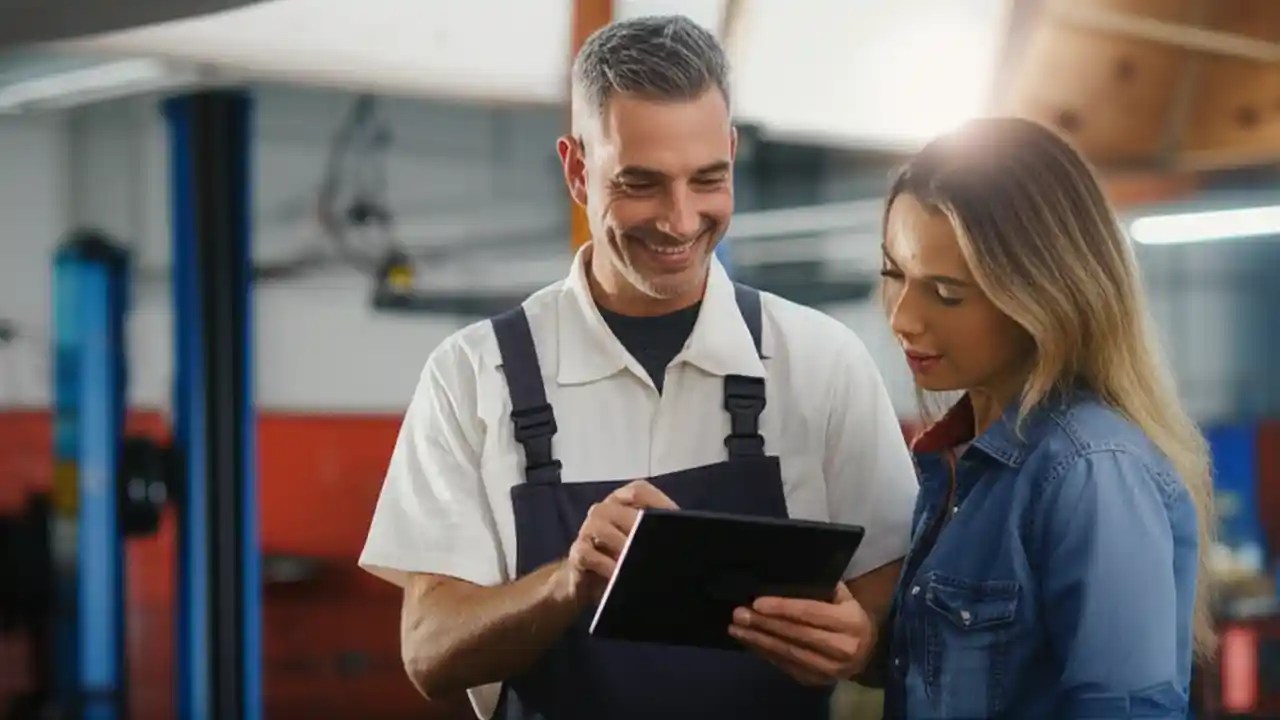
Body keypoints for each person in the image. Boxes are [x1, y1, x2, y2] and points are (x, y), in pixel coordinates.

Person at [357, 14, 919, 720]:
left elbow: (901, 621)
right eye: (642, 183)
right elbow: (429, 651)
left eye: (707, 179)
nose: (681, 220)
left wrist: (863, 644)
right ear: (576, 168)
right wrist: (567, 581)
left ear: (733, 153)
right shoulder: (472, 376)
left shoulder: (819, 363)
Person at [875, 116, 1217, 719]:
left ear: (1040, 292)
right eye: (894, 274)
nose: (903, 316)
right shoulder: (958, 463)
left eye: (946, 292)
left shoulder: (1090, 472)